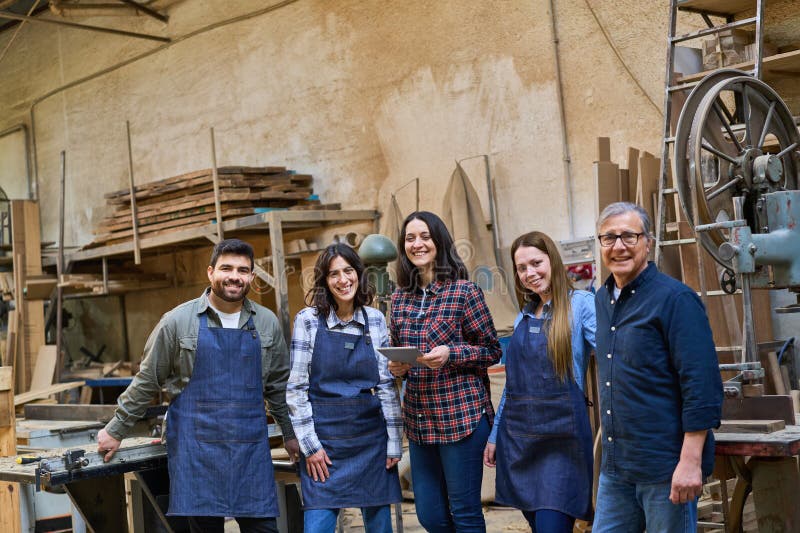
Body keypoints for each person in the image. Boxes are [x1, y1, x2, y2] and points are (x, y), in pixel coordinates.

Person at [96, 238, 300, 533]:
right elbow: (147, 380)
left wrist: (291, 434)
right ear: (210, 272)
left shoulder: (266, 323)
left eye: (243, 270)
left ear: (252, 277)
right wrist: (116, 429)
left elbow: (278, 388)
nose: (234, 276)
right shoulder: (178, 321)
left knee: (264, 529)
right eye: (226, 268)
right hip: (197, 452)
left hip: (249, 453)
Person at [592, 202, 722, 532]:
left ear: (647, 242)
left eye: (629, 236)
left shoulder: (675, 300)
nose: (618, 246)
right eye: (609, 238)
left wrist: (690, 463)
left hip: (665, 469)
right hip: (617, 469)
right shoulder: (602, 298)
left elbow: (701, 385)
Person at [388, 211, 502, 532]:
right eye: (410, 238)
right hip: (420, 421)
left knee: (464, 512)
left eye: (424, 236)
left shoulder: (464, 292)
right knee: (430, 515)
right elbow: (399, 354)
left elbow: (492, 350)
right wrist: (398, 367)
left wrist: (453, 353)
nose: (417, 244)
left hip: (461, 417)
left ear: (439, 241)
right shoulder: (398, 299)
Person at [483, 231, 595, 532]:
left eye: (536, 263)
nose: (530, 273)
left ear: (552, 261)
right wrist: (495, 436)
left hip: (563, 440)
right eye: (522, 268)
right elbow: (512, 386)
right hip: (520, 440)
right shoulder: (523, 317)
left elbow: (616, 360)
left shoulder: (582, 305)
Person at [286, 243, 402, 532]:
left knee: (380, 527)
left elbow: (386, 385)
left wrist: (394, 441)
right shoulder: (308, 321)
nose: (343, 280)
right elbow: (296, 389)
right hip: (325, 444)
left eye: (348, 271)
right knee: (317, 527)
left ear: (358, 274)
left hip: (370, 440)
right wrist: (310, 447)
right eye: (333, 274)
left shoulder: (374, 320)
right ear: (325, 281)